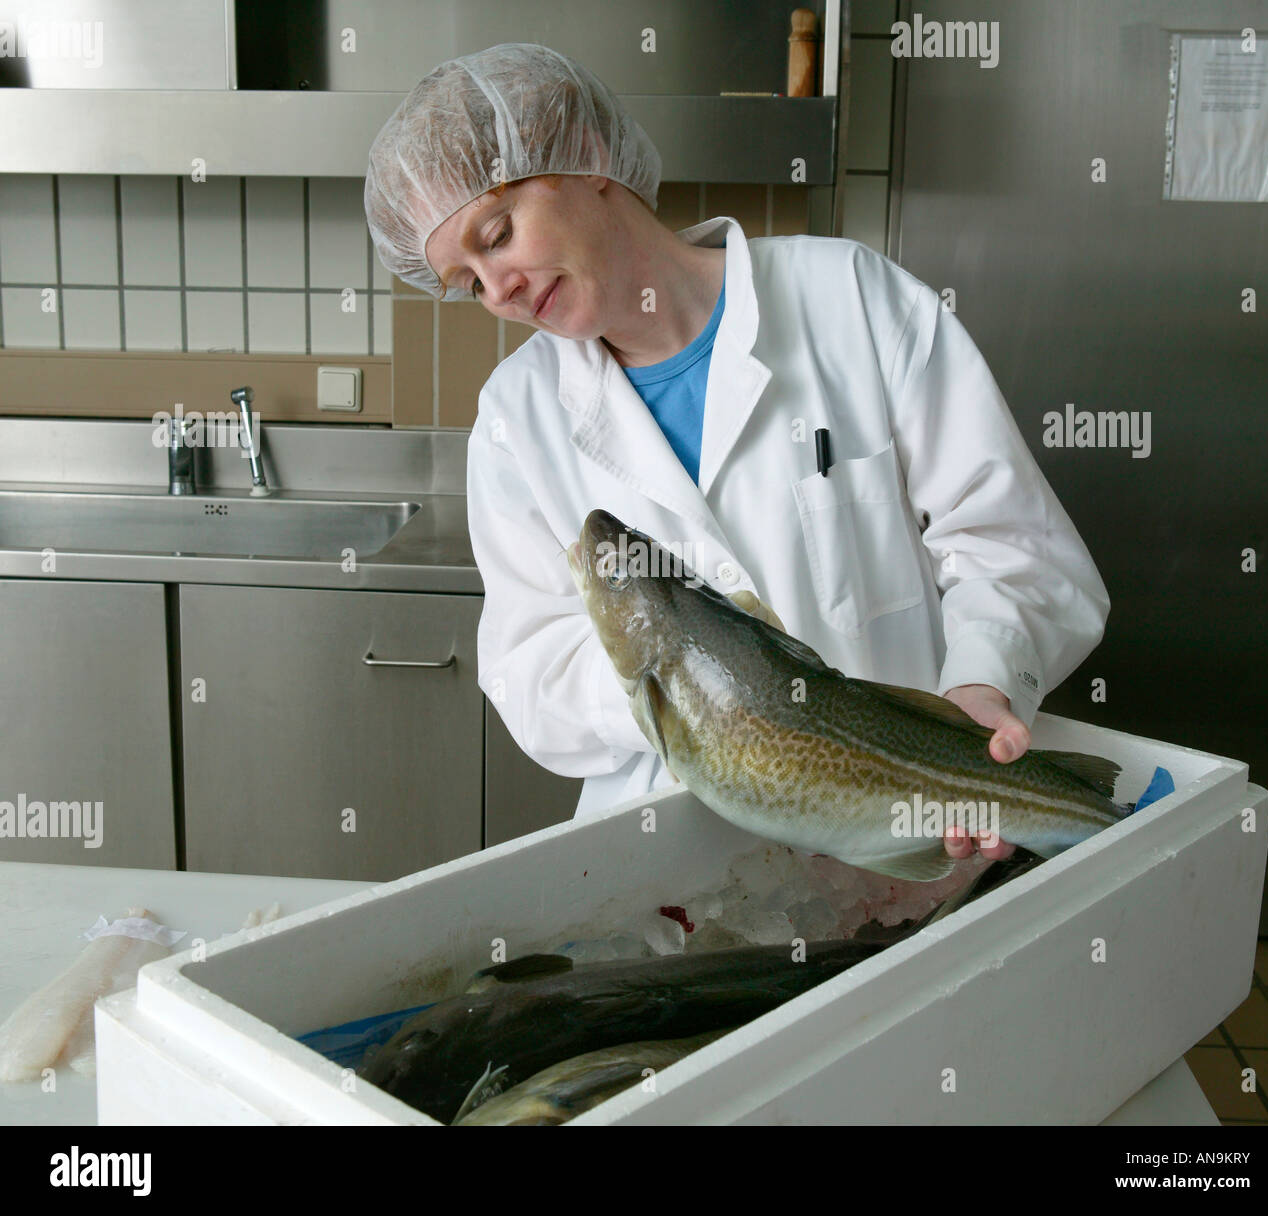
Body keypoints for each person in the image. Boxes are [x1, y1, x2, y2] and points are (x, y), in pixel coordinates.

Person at [365, 44, 1109, 863]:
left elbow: (1012, 543)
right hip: (675, 874)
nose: (497, 289)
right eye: (467, 282)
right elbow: (530, 673)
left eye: (496, 236)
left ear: (587, 159)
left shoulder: (852, 300)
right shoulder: (516, 417)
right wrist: (690, 692)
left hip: (919, 840)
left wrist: (983, 683)